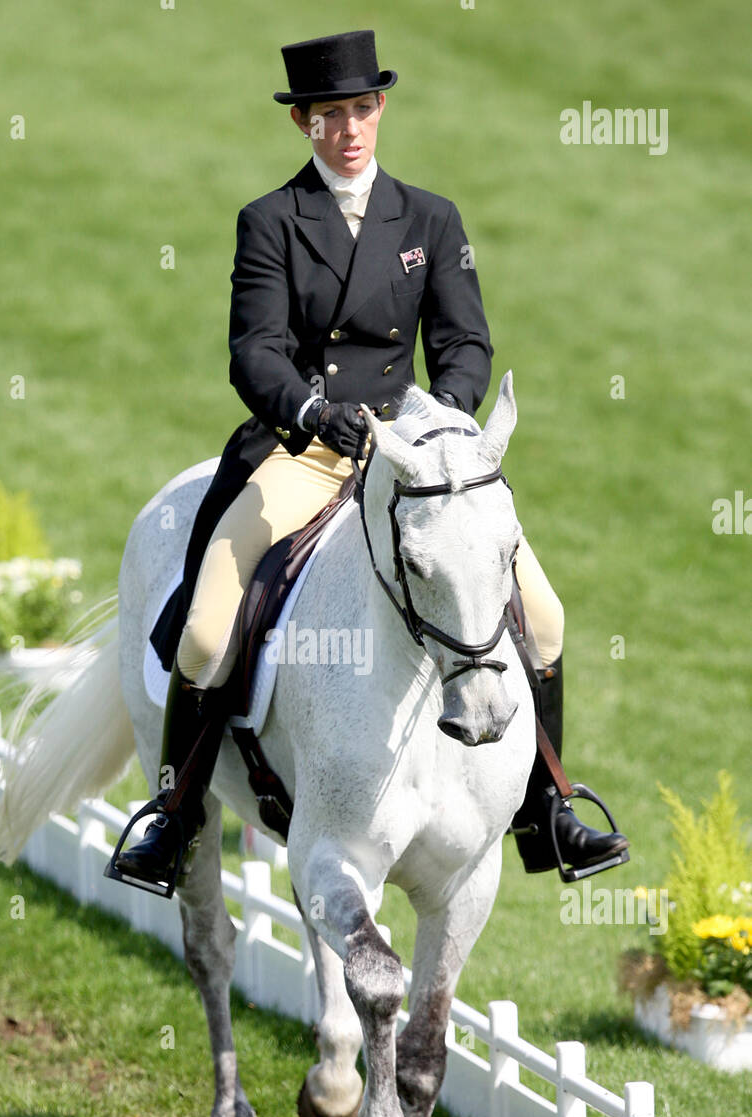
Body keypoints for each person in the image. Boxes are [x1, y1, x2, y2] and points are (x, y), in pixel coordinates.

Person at [113, 29, 628, 893]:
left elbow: (464, 341)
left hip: (414, 457)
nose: (348, 129)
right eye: (328, 116)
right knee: (205, 633)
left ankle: (549, 808)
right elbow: (256, 354)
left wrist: (443, 424)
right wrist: (315, 411)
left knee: (544, 618)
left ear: (380, 108)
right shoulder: (271, 221)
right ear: (304, 126)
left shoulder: (430, 218)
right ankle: (173, 812)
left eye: (361, 109)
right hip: (308, 451)